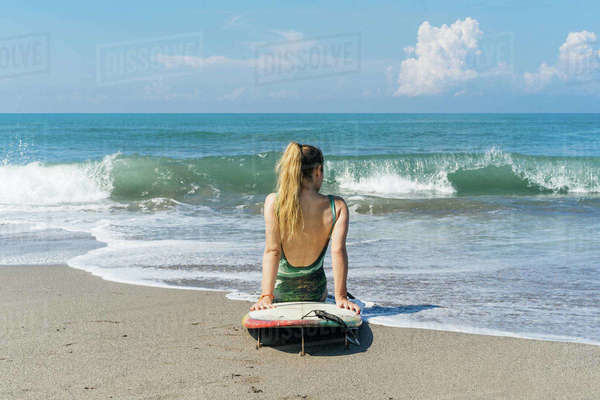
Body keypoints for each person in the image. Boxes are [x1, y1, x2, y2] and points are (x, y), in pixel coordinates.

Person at [250, 142, 360, 314]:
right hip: (316, 294)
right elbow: (338, 251)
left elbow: (273, 251)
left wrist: (266, 295)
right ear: (317, 171)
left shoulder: (274, 202)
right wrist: (341, 297)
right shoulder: (336, 206)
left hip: (280, 295)